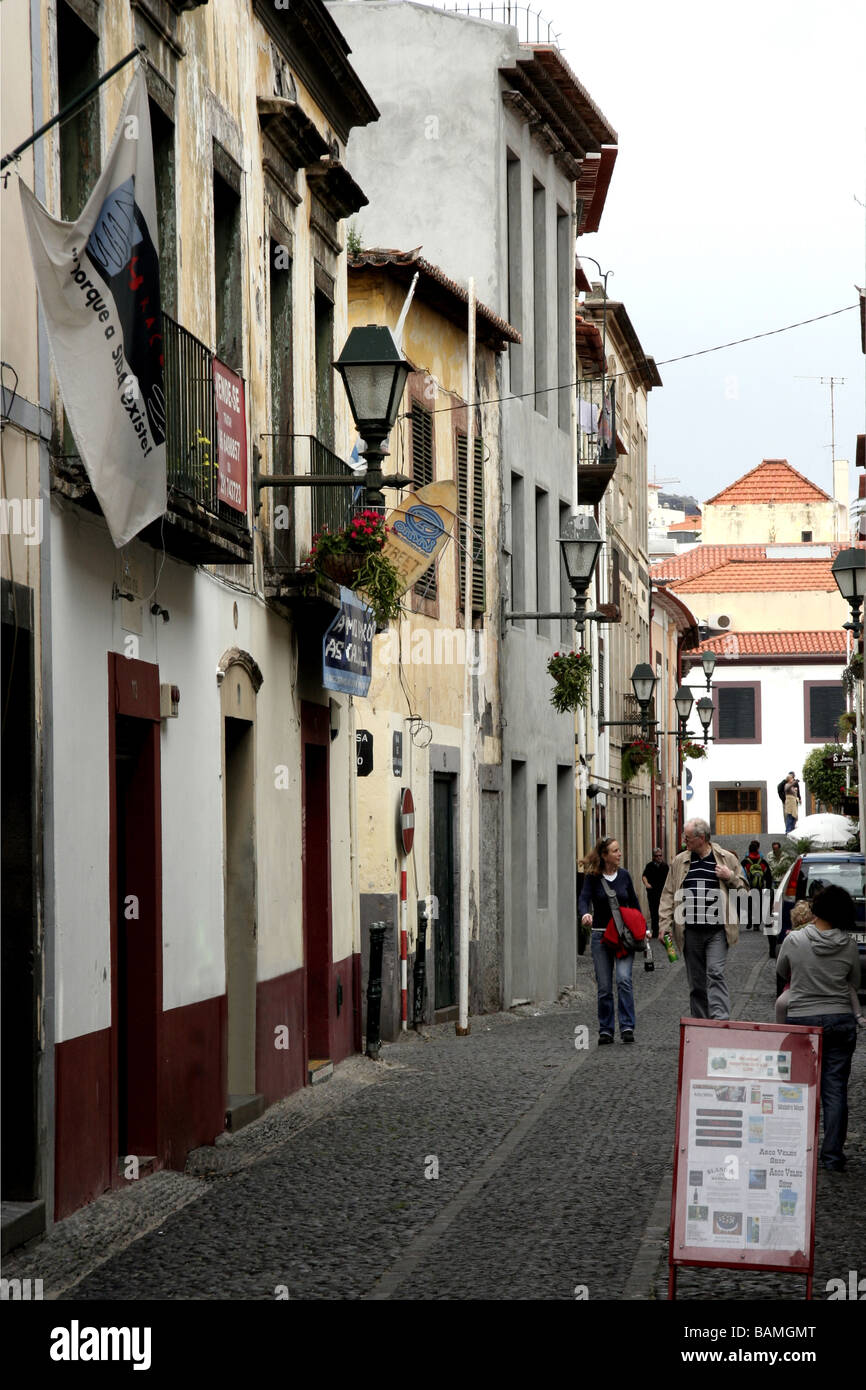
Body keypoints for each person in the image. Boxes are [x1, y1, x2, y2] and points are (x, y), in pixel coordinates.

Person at [776, 885, 861, 1171]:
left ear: (815, 910)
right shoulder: (848, 945)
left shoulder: (795, 940)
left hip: (803, 1020)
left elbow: (781, 971)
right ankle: (832, 1156)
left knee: (799, 1089)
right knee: (835, 1089)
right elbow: (855, 982)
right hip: (839, 1019)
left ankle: (797, 1149)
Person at [658, 817, 747, 1020]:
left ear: (701, 838)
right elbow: (668, 894)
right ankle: (700, 1025)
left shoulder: (725, 859)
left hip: (717, 930)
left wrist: (730, 877)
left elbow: (745, 891)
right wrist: (664, 925)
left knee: (715, 972)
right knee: (696, 982)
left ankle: (720, 1022)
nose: (684, 841)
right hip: (690, 931)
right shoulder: (680, 861)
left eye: (688, 837)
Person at [579, 837, 641, 1045]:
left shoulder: (624, 876)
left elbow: (633, 903)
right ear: (605, 856)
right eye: (615, 851)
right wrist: (585, 914)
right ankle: (606, 1029)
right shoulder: (593, 878)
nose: (619, 854)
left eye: (619, 850)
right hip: (601, 936)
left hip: (623, 937)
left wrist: (643, 929)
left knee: (624, 979)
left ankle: (627, 1026)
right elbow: (584, 899)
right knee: (604, 987)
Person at [740, 839, 773, 930]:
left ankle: (749, 918)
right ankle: (756, 924)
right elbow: (768, 876)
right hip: (759, 887)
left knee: (748, 903)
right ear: (757, 850)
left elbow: (739, 874)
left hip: (748, 887)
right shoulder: (762, 861)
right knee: (758, 904)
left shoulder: (745, 862)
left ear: (749, 850)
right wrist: (768, 888)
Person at [641, 847, 669, 939]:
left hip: (663, 893)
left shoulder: (665, 866)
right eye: (656, 856)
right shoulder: (649, 866)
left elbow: (669, 879)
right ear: (653, 857)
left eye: (660, 855)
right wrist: (646, 884)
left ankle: (664, 930)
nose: (659, 857)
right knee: (654, 912)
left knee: (663, 911)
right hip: (652, 893)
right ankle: (655, 931)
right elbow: (644, 876)